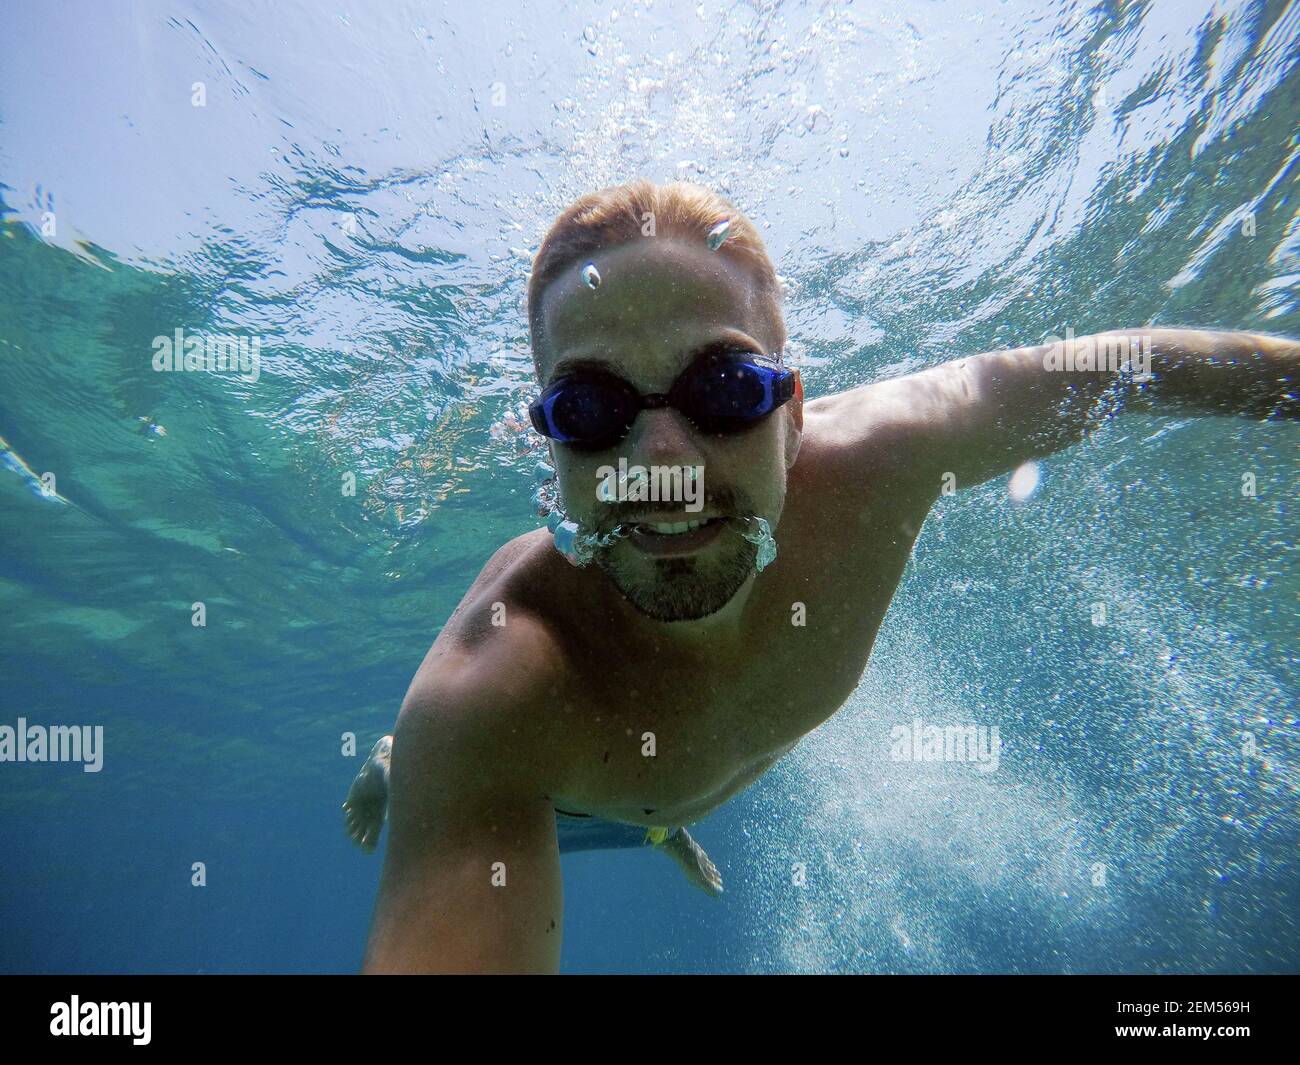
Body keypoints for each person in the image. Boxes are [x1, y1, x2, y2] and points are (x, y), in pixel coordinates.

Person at [352, 178, 1297, 974]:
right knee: (436, 765)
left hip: (642, 784)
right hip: (576, 802)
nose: (663, 461)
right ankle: (397, 768)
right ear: (550, 445)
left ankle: (659, 820)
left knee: (656, 805)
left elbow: (1128, 366)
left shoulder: (888, 455)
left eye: (724, 389)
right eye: (593, 408)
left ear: (795, 412)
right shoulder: (494, 695)